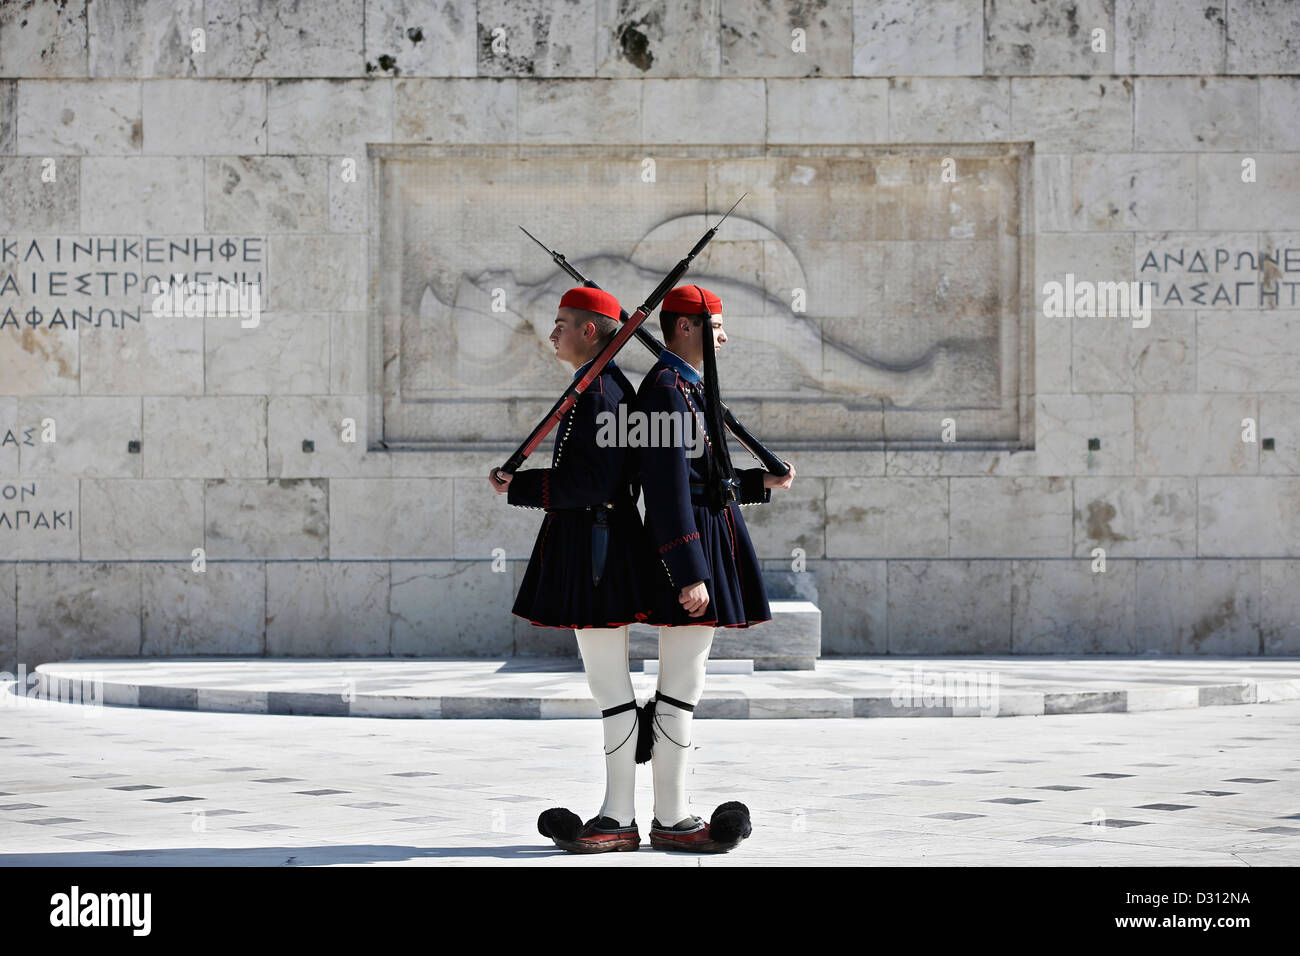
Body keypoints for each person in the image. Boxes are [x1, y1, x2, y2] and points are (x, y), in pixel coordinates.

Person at [634, 283, 795, 852]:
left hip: (705, 539)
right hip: (691, 549)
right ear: (685, 327)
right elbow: (667, 490)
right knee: (681, 686)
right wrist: (689, 571)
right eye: (717, 327)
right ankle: (672, 819)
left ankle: (670, 813)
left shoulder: (685, 386)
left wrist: (758, 482)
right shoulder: (666, 392)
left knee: (685, 683)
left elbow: (705, 479)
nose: (724, 338)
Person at [489, 286, 650, 853]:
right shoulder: (598, 387)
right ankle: (624, 810)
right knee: (609, 685)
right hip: (594, 541)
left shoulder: (602, 392)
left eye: (562, 323)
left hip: (596, 546)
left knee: (611, 687)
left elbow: (594, 483)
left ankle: (619, 818)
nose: (552, 333)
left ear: (589, 331)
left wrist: (521, 487)